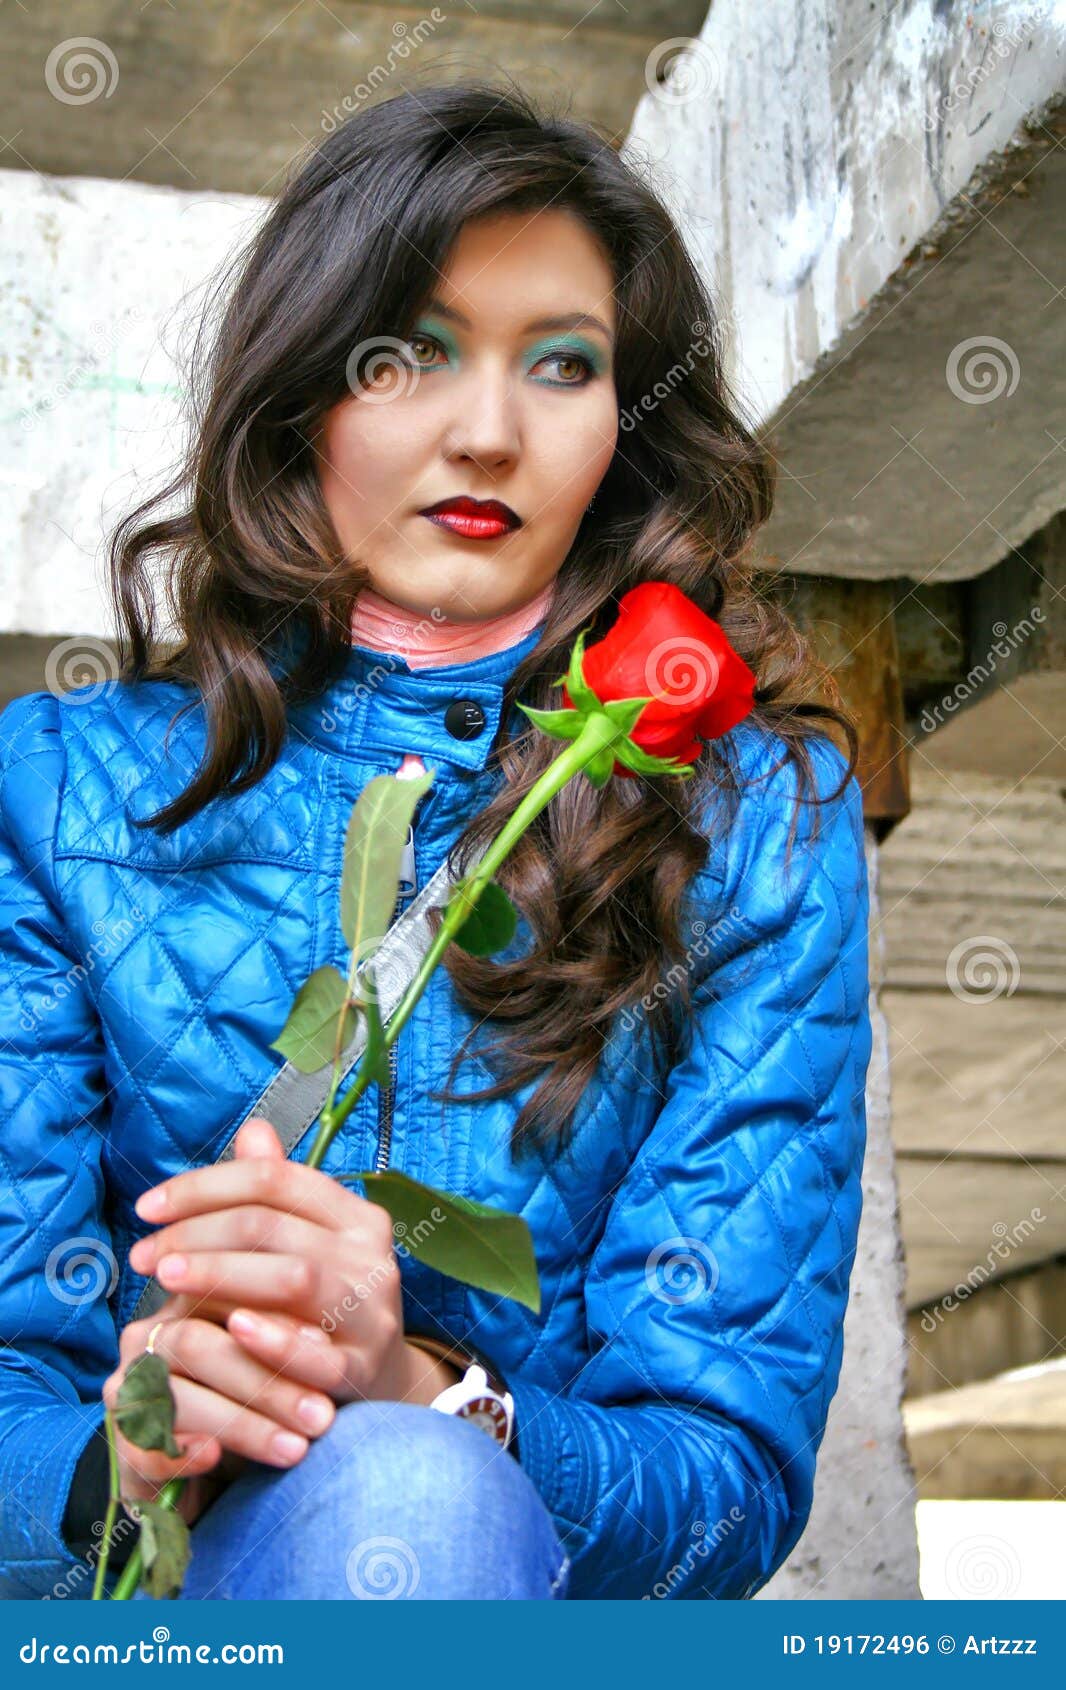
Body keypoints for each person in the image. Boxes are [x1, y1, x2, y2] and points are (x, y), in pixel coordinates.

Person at [0, 80, 873, 1601]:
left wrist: (418, 1383)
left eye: (562, 363)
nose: (487, 430)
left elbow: (725, 1485)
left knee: (412, 1485)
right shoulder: (57, 790)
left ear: (624, 422)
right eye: (407, 354)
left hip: (509, 1591)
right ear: (301, 389)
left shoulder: (758, 826)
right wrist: (133, 1448)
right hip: (154, 1609)